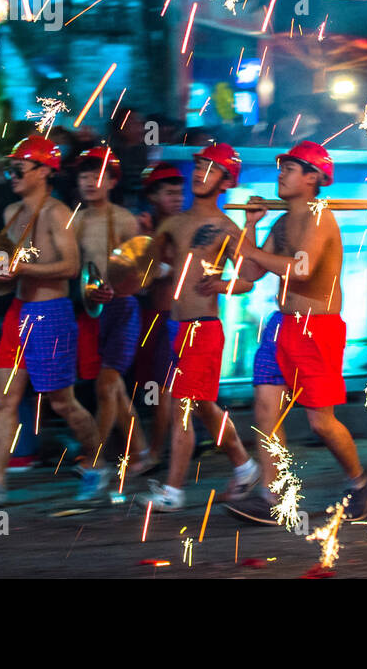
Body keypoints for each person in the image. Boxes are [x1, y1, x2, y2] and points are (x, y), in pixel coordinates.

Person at [226, 141, 367, 524]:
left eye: (290, 169)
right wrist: (250, 224)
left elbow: (302, 269)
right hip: (281, 326)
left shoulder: (319, 216)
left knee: (320, 422)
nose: (281, 174)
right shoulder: (280, 223)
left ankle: (359, 483)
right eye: (282, 168)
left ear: (313, 178)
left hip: (317, 329)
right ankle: (272, 496)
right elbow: (248, 274)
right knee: (265, 411)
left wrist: (255, 251)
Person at [0, 134, 110, 507]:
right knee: (6, 399)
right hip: (18, 312)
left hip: (50, 313)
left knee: (62, 403)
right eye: (10, 168)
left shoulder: (58, 214)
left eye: (18, 168)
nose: (11, 175)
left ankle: (98, 464)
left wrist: (24, 267)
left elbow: (71, 267)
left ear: (43, 171)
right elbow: (5, 264)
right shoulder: (11, 214)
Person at [143, 143, 260, 512]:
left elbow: (249, 279)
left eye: (210, 169)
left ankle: (173, 491)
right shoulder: (173, 224)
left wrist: (223, 284)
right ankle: (245, 465)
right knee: (205, 407)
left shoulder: (226, 227)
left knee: (182, 406)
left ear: (225, 181)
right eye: (198, 166)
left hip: (203, 327)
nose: (199, 174)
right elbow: (152, 270)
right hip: (176, 326)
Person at [72, 147, 151, 478]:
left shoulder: (122, 219)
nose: (91, 182)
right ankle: (141, 452)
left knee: (106, 385)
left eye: (99, 175)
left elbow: (141, 272)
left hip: (121, 309)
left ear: (113, 181)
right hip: (90, 311)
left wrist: (120, 287)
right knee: (113, 387)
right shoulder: (74, 220)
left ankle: (96, 460)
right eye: (85, 175)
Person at [133, 162, 186, 464]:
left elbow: (194, 270)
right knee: (153, 386)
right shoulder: (149, 227)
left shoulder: (183, 227)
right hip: (151, 315)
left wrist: (165, 270)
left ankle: (156, 451)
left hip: (174, 317)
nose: (177, 198)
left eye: (179, 192)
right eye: (169, 193)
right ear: (153, 196)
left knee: (164, 387)